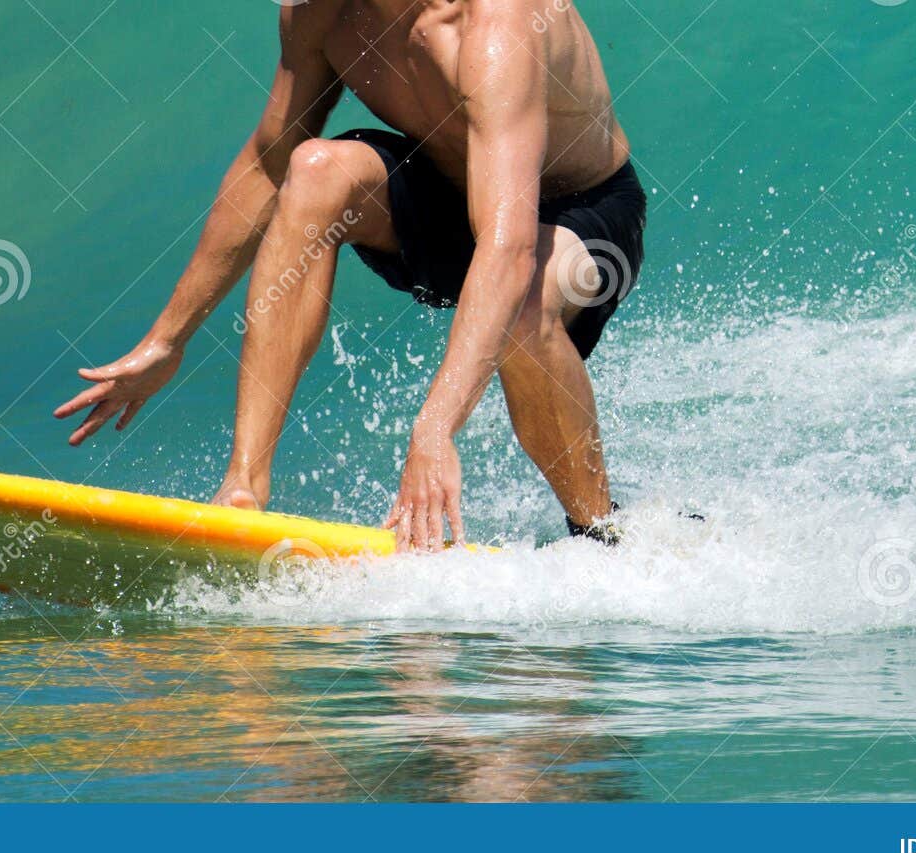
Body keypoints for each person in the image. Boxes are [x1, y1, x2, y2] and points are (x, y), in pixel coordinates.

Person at [55, 0, 644, 551]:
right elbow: (268, 161)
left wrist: (435, 428)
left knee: (522, 300)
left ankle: (599, 534)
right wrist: (168, 339)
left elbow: (510, 248)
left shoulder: (493, 22)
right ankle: (243, 488)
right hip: (447, 195)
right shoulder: (317, 14)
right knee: (312, 170)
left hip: (577, 212)